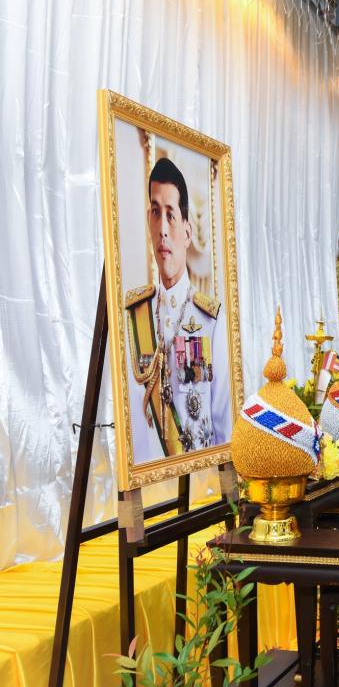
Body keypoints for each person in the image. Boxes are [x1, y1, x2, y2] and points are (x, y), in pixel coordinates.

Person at [125, 157, 230, 461]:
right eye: (156, 213)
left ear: (186, 231)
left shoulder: (211, 320)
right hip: (150, 491)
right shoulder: (134, 317)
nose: (162, 229)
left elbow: (223, 422)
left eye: (170, 215)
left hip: (199, 493)